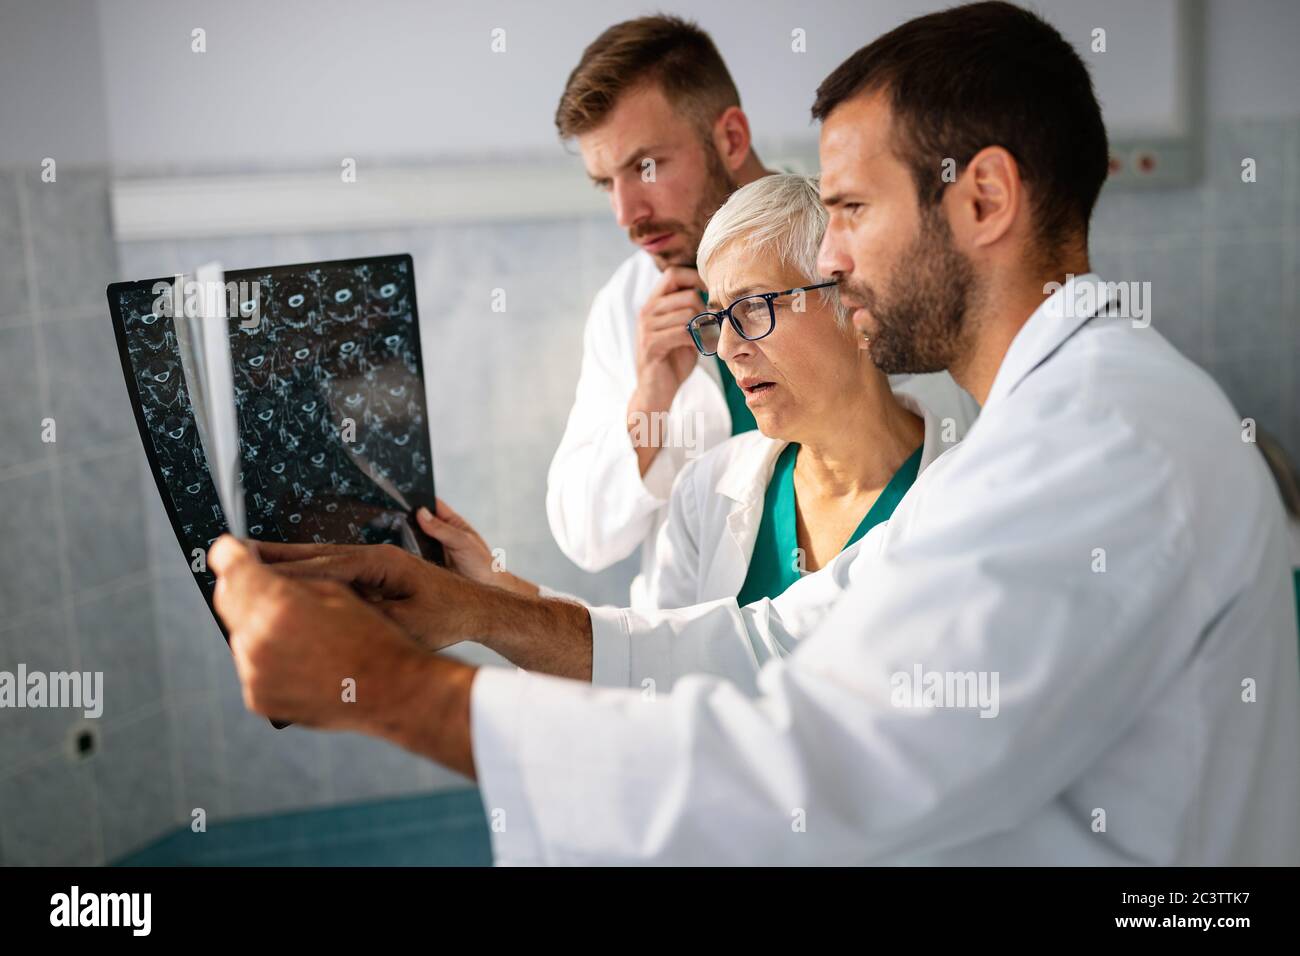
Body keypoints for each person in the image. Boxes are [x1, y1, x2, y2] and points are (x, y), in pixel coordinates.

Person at [208, 1, 1300, 864]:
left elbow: (819, 757)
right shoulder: (1054, 419)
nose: (831, 260)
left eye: (854, 213)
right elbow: (765, 641)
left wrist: (391, 690)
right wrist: (475, 609)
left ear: (982, 201)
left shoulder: (1092, 445)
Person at [404, 174, 972, 635]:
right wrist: (494, 590)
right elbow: (649, 653)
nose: (726, 348)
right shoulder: (709, 489)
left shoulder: (965, 490)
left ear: (849, 301)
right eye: (718, 318)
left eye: (753, 308)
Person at [545, 15, 976, 608]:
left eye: (645, 167)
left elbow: (947, 435)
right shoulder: (627, 309)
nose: (627, 212)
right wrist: (649, 397)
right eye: (605, 183)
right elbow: (585, 537)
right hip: (697, 637)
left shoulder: (861, 263)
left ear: (730, 138)